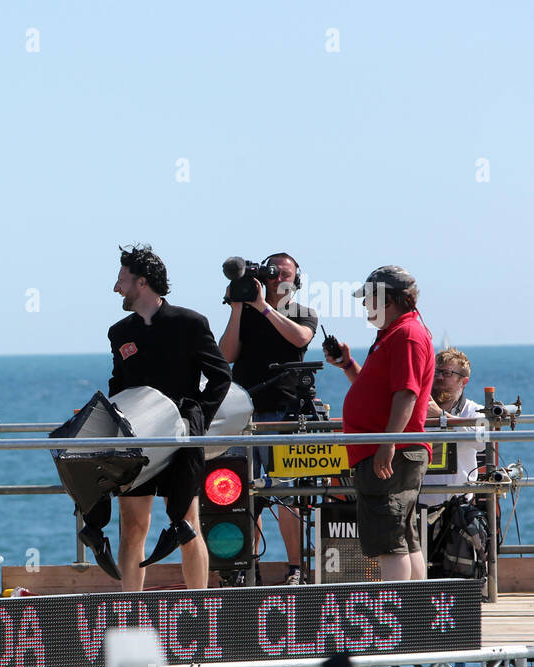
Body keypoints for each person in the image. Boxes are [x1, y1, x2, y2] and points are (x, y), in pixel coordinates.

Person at [109, 244, 232, 591]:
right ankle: (131, 614)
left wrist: (196, 423)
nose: (116, 287)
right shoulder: (119, 332)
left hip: (181, 439)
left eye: (121, 279)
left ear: (142, 282)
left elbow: (221, 376)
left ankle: (202, 611)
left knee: (186, 523)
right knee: (132, 527)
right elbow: (118, 383)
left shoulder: (190, 323)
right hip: (139, 441)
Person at [325, 266, 434, 581]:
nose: (364, 306)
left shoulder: (406, 335)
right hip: (392, 449)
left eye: (369, 299)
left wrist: (387, 443)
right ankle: (414, 618)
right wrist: (347, 365)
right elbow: (384, 393)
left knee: (390, 542)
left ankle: (398, 622)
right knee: (404, 538)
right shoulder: (396, 334)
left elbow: (406, 394)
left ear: (389, 299)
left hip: (390, 452)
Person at [218, 253, 319, 585]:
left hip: (284, 413)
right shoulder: (246, 314)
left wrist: (263, 306)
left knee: (286, 493)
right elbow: (226, 355)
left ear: (297, 280)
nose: (278, 280)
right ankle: (249, 567)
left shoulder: (303, 314)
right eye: (273, 274)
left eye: (285, 275)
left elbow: (300, 339)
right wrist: (237, 309)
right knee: (244, 494)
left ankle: (294, 568)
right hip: (245, 413)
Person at [421, 347, 484, 506]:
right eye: (436, 372)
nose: (439, 377)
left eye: (447, 373)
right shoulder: (416, 408)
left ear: (464, 380)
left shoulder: (473, 410)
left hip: (458, 509)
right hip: (417, 505)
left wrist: (442, 417)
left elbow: (482, 443)